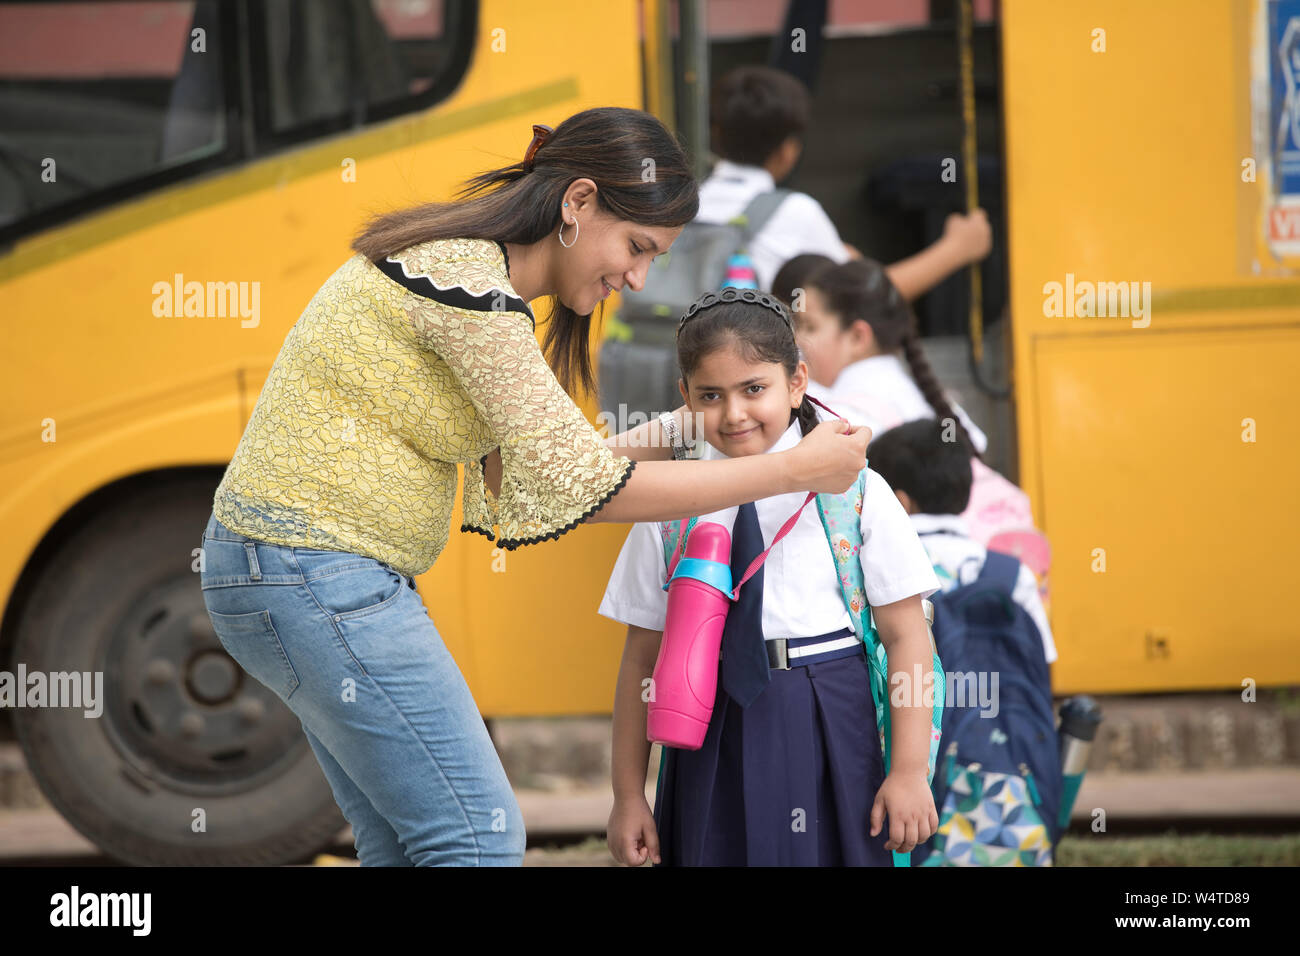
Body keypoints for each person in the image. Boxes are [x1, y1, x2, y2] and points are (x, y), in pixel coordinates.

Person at [199, 107, 874, 867]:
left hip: (289, 574)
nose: (637, 279)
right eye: (637, 247)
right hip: (313, 572)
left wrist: (702, 421)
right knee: (477, 838)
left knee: (402, 843)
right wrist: (792, 469)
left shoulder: (468, 277)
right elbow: (583, 487)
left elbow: (547, 471)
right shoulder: (469, 287)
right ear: (578, 203)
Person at [600, 288, 940, 866]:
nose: (734, 414)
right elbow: (640, 660)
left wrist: (908, 771)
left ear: (797, 381)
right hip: (711, 723)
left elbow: (907, 634)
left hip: (831, 713)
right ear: (685, 399)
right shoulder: (670, 504)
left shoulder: (854, 492)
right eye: (711, 395)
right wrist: (628, 796)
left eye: (754, 389)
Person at [795, 257, 1043, 553]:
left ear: (858, 336)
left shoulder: (837, 418)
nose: (798, 339)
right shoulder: (930, 399)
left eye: (810, 326)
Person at [700, 65, 992, 297]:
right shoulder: (795, 213)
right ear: (788, 151)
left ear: (716, 132)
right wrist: (958, 248)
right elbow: (870, 298)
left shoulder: (689, 202)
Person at [866, 420, 1056, 665]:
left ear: (900, 502)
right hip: (1000, 702)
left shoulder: (880, 569)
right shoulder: (1014, 574)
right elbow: (1042, 660)